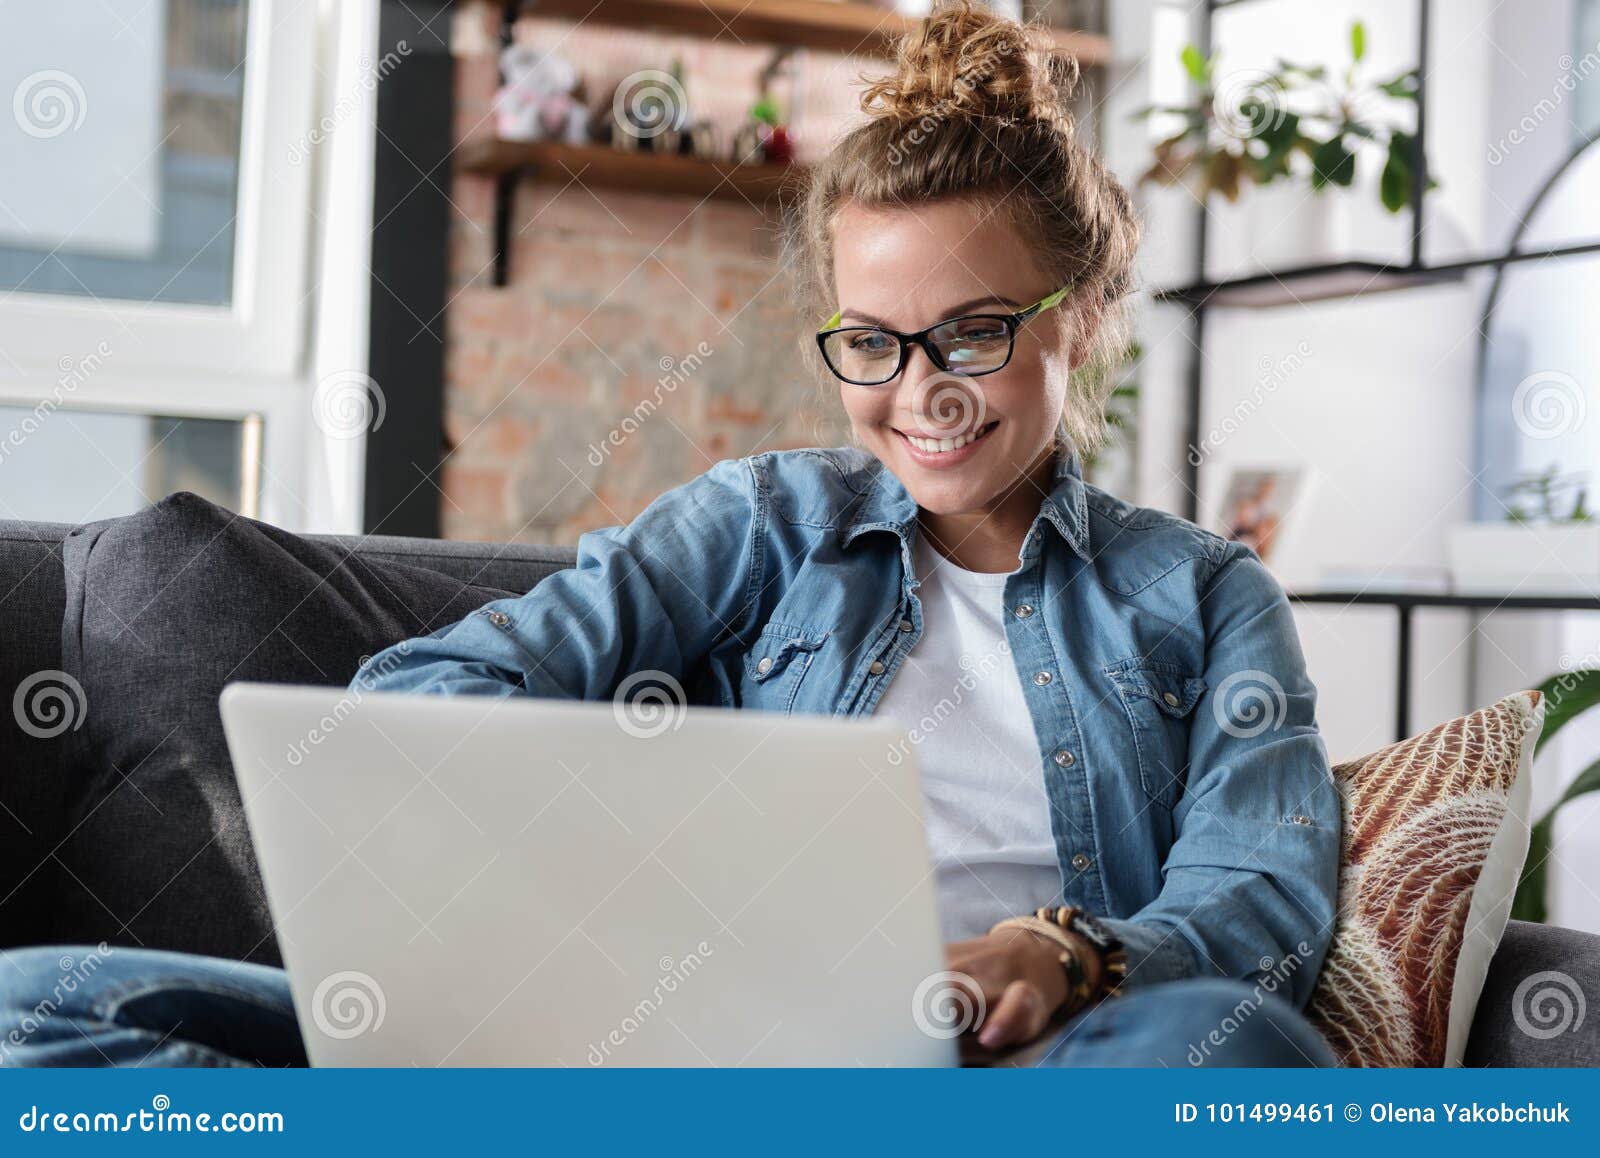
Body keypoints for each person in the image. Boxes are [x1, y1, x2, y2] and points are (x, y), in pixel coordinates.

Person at [0, 0, 1339, 1068]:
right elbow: (421, 698)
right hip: (696, 1040)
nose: (919, 390)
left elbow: (1264, 901)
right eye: (870, 341)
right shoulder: (763, 523)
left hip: (1039, 1060)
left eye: (975, 333)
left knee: (1241, 1050)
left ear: (1081, 318)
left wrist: (1064, 955)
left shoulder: (1206, 595)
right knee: (38, 997)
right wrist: (633, 852)